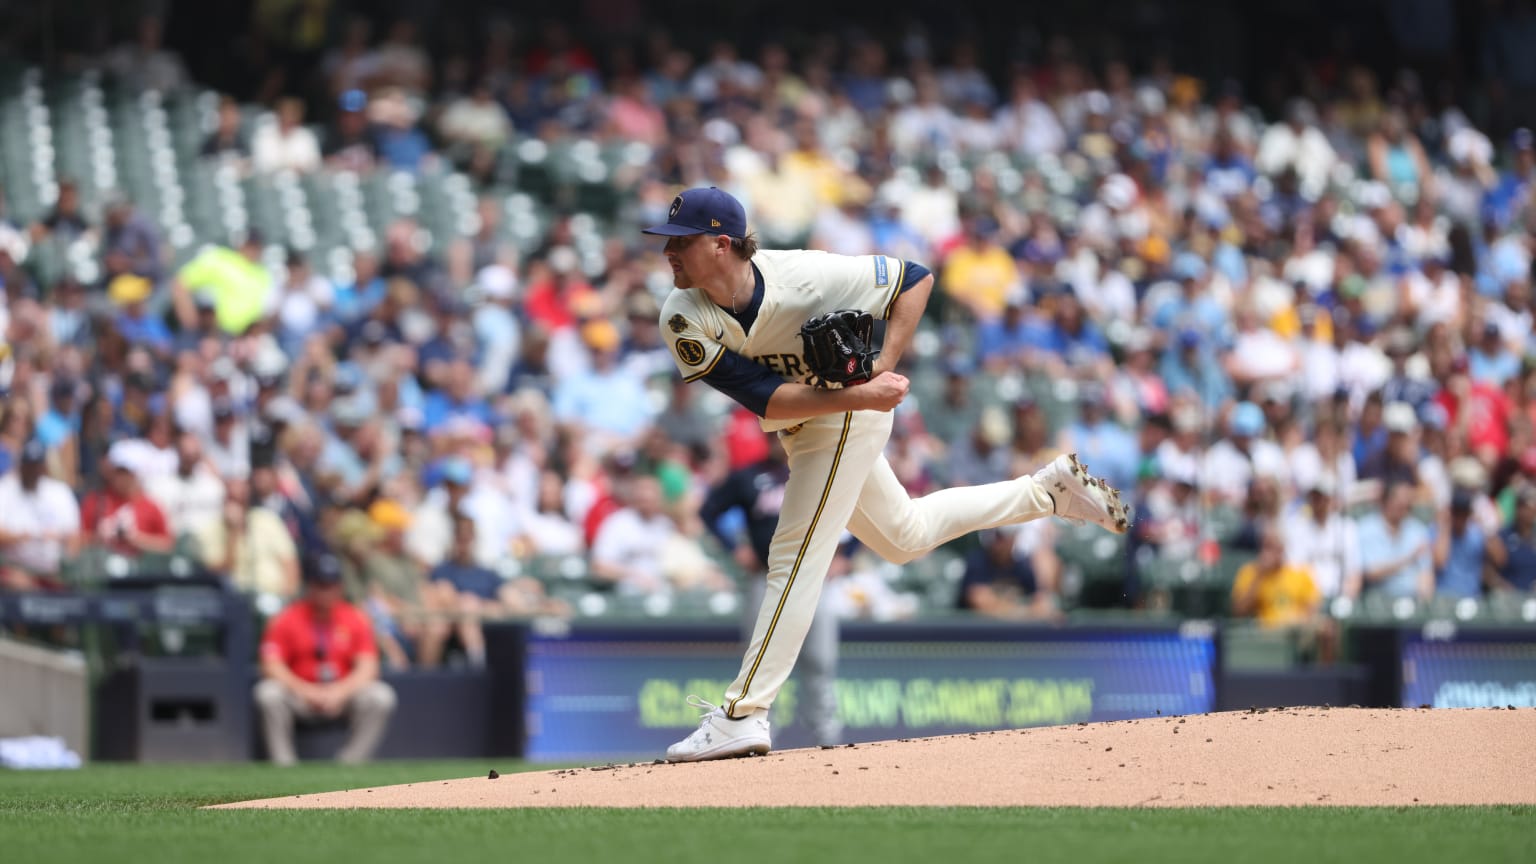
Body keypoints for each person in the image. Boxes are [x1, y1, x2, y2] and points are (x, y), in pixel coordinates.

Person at [647, 186, 1126, 762]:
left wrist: (882, 366)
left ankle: (743, 713)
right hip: (817, 418)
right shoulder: (682, 315)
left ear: (723, 244)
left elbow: (915, 278)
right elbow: (765, 400)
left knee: (794, 554)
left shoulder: (807, 276)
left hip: (844, 416)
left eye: (682, 242)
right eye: (667, 242)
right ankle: (1046, 493)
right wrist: (865, 393)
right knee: (906, 537)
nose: (668, 253)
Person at [700, 432, 842, 747]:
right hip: (765, 579)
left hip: (814, 577)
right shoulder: (749, 477)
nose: (781, 440)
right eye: (778, 434)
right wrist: (734, 548)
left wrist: (846, 555)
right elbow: (708, 511)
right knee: (759, 662)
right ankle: (760, 733)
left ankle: (826, 733)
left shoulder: (821, 469)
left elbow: (859, 509)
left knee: (820, 659)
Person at [254, 552, 397, 765]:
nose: (327, 591)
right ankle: (283, 765)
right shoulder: (286, 618)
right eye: (321, 584)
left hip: (341, 696)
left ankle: (350, 764)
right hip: (300, 695)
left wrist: (339, 692)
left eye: (332, 584)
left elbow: (368, 667)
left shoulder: (354, 617)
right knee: (268, 693)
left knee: (381, 696)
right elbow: (271, 665)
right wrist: (306, 691)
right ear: (310, 586)